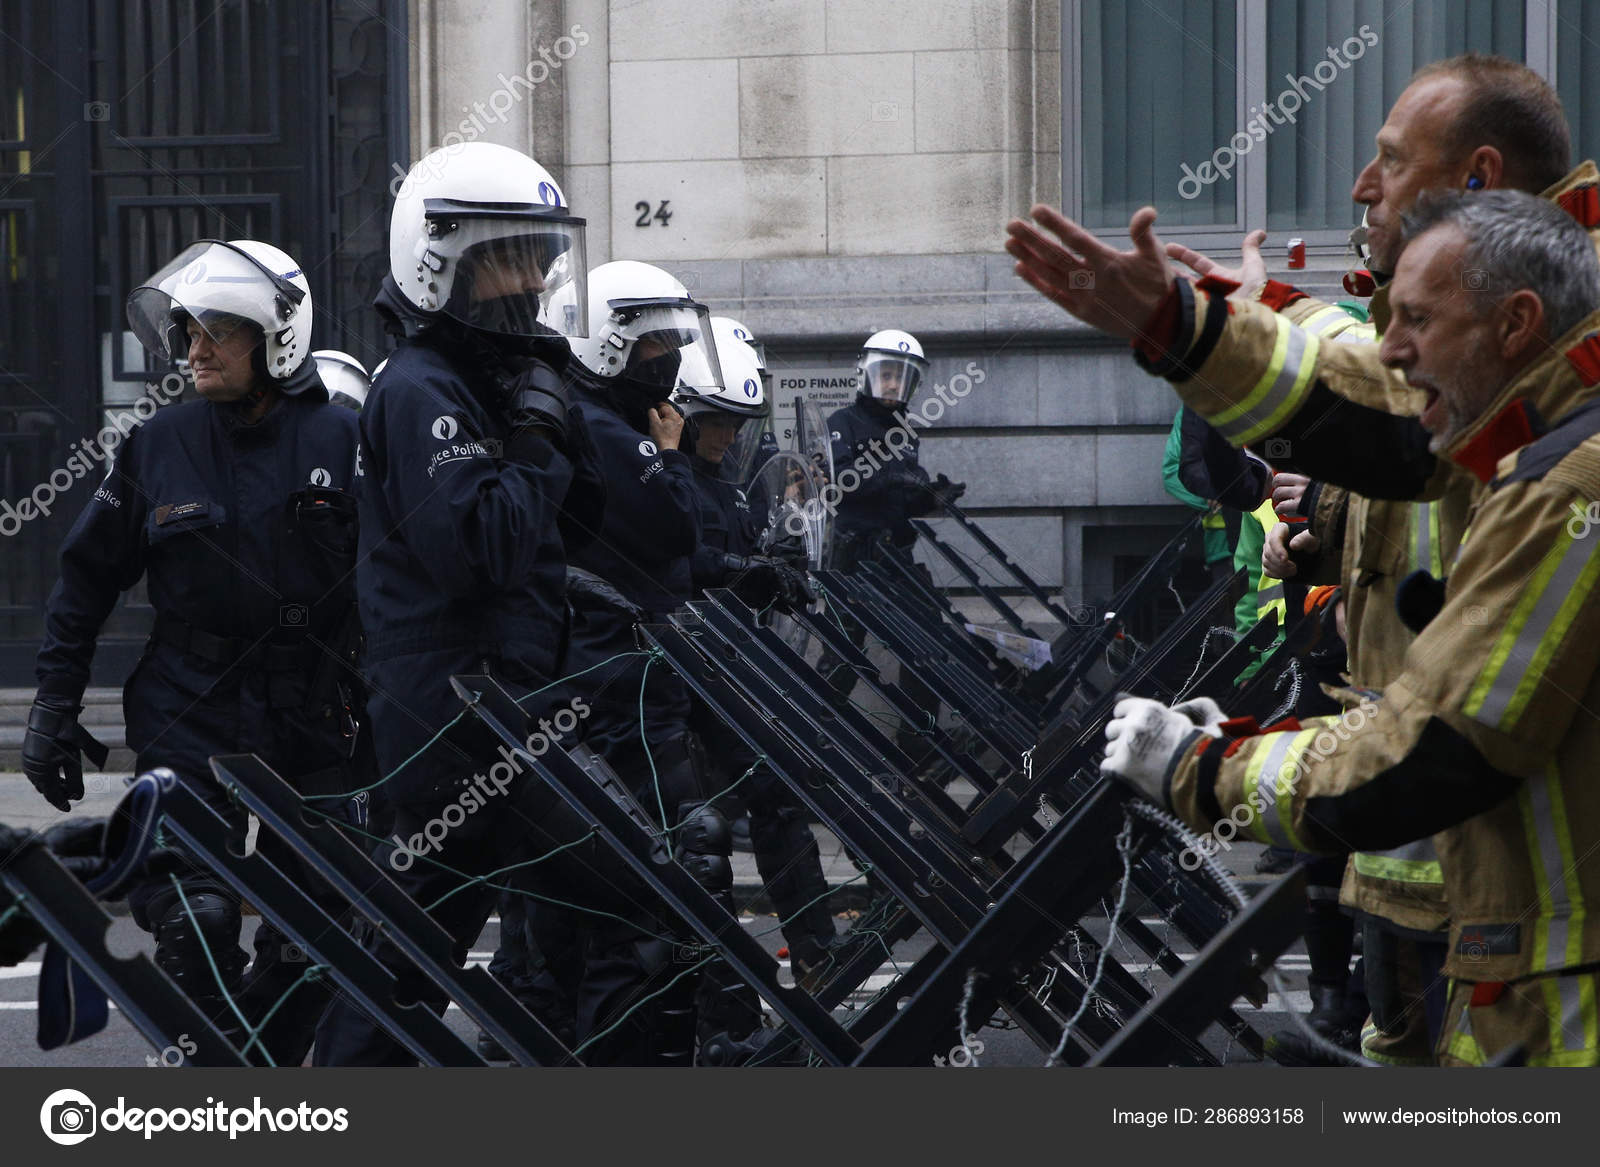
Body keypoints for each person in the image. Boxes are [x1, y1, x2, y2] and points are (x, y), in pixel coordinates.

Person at [1007, 53, 1600, 1065]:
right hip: (1464, 899)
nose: (1360, 187)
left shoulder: (1559, 475)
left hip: (1523, 940)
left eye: (1386, 160)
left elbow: (1438, 747)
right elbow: (1386, 418)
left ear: (1478, 179)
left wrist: (1204, 769)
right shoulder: (1534, 389)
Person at [312, 143, 694, 1067]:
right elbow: (481, 547)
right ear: (445, 262)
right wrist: (530, 432)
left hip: (498, 701)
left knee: (416, 948)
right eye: (514, 256)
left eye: (542, 254)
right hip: (458, 714)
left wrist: (559, 415)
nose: (538, 277)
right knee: (645, 895)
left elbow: (581, 520)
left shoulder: (483, 380)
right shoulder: (420, 389)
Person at [24, 237, 363, 1064]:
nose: (195, 349)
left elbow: (400, 583)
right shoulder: (158, 442)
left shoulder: (347, 438)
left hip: (315, 717)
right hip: (190, 705)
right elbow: (84, 578)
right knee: (192, 915)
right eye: (187, 330)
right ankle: (215, 1079)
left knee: (323, 937)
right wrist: (53, 704)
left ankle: (254, 1067)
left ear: (275, 338)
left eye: (219, 329)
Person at [815, 329, 963, 764]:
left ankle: (919, 740)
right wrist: (893, 479)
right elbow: (843, 484)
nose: (894, 385)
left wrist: (929, 497)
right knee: (843, 651)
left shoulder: (905, 431)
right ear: (867, 375)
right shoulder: (842, 423)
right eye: (886, 375)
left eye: (902, 377)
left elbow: (900, 495)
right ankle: (816, 738)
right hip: (855, 558)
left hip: (896, 556)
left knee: (926, 640)